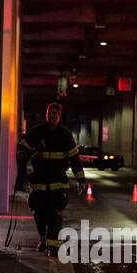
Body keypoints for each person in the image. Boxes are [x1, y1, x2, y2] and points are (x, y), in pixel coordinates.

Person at [16, 103, 86, 255]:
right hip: (39, 182)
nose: (52, 116)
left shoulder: (65, 135)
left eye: (55, 113)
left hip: (57, 183)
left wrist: (81, 179)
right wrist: (22, 153)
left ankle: (53, 247)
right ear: (46, 114)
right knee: (39, 214)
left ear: (59, 116)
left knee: (55, 215)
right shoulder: (37, 132)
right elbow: (23, 146)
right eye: (50, 113)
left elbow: (74, 158)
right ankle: (43, 239)